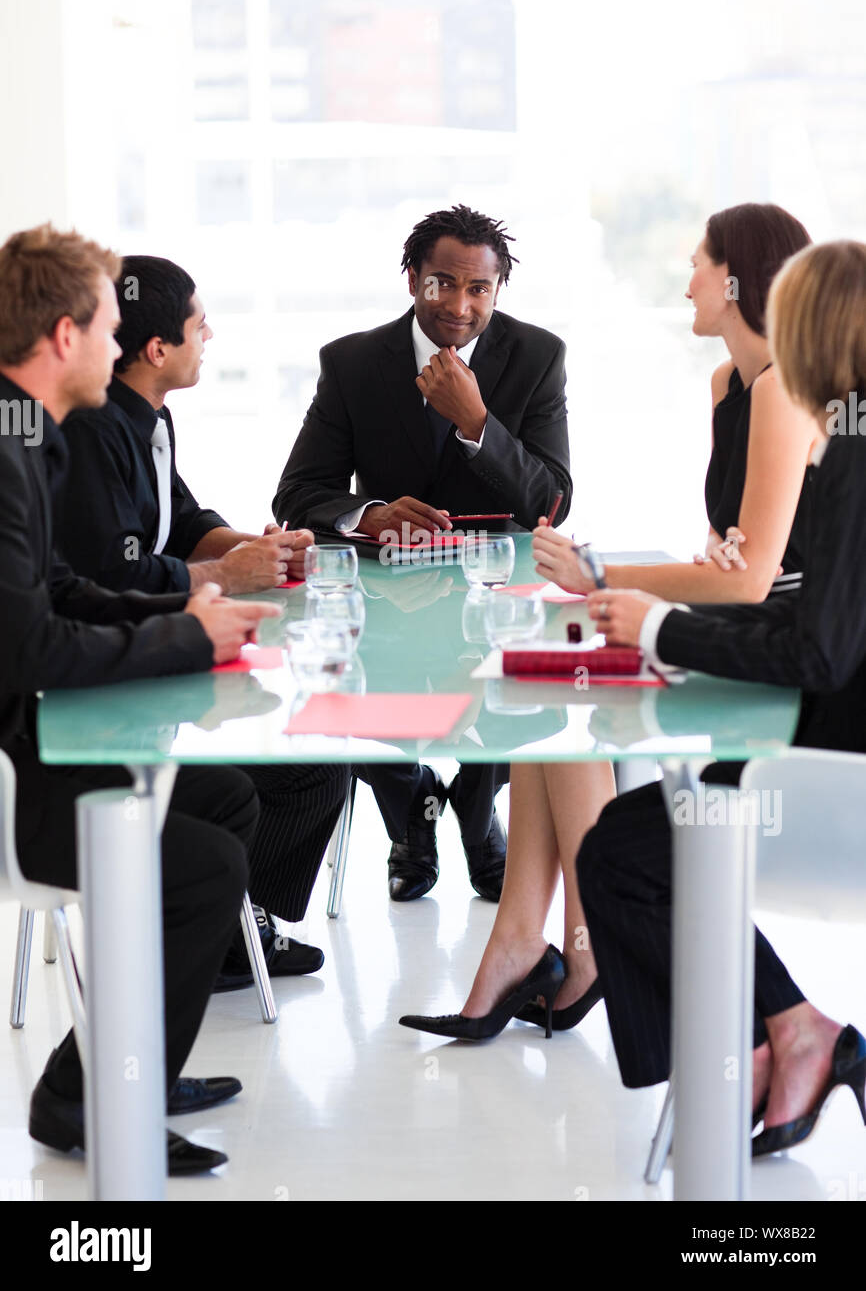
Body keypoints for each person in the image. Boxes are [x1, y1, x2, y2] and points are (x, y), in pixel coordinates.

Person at [400, 203, 817, 1040]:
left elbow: (751, 581)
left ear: (738, 281)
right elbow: (724, 555)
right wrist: (615, 587)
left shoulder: (783, 390)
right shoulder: (728, 385)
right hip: (738, 629)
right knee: (541, 666)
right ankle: (524, 938)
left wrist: (602, 578)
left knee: (571, 671)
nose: (687, 278)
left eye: (699, 263)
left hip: (779, 653)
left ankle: (576, 948)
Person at [0, 223, 282, 1172]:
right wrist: (180, 631)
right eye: (111, 324)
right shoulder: (11, 451)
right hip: (23, 772)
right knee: (201, 865)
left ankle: (130, 1075)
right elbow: (29, 641)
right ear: (65, 336)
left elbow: (57, 592)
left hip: (44, 741)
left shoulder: (23, 432)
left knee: (224, 800)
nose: (124, 342)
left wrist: (190, 616)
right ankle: (87, 1098)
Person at [577, 237, 866, 1158]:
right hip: (823, 743)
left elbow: (817, 649)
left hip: (834, 778)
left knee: (627, 852)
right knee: (645, 836)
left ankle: (762, 1039)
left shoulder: (852, 454)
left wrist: (658, 630)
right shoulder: (852, 435)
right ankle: (783, 1030)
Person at [56, 255, 349, 983]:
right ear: (159, 349)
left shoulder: (149, 415)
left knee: (322, 760)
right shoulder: (94, 432)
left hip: (164, 654)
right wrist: (227, 577)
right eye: (199, 324)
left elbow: (182, 518)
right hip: (124, 677)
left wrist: (257, 550)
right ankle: (218, 927)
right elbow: (110, 573)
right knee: (299, 770)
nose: (209, 334)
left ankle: (232, 921)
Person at [273, 204, 572, 903]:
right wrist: (368, 514)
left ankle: (474, 803)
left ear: (499, 291)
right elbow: (297, 493)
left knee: (536, 697)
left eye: (480, 290)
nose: (461, 307)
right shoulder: (351, 362)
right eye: (444, 284)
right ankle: (411, 815)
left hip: (497, 593)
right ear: (412, 279)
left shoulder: (537, 356)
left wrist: (477, 422)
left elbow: (552, 503)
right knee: (349, 690)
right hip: (384, 593)